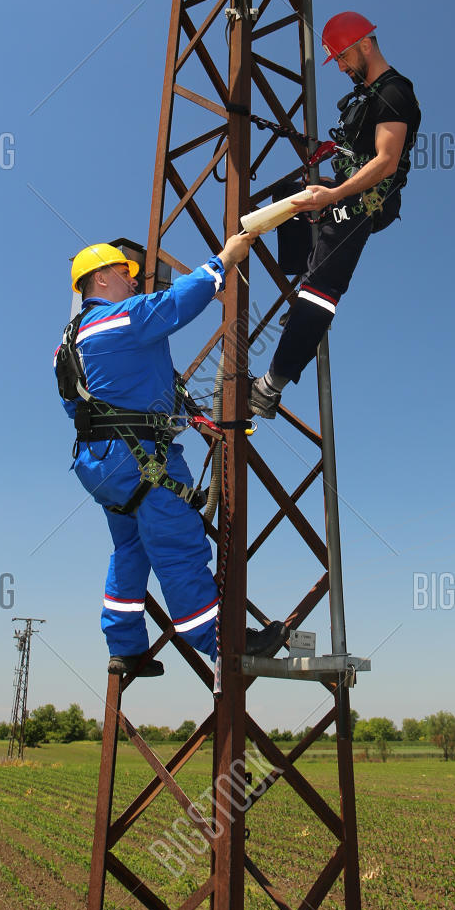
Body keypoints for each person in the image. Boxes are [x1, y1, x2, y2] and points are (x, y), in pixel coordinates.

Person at [56, 237, 289, 675]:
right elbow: (177, 302)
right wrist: (223, 261)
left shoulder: (67, 344)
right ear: (101, 278)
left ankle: (125, 649)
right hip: (140, 457)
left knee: (129, 549)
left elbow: (81, 405)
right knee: (179, 543)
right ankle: (225, 642)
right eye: (123, 272)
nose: (131, 277)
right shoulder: (123, 318)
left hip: (99, 463)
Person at [249, 11, 421, 418]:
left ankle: (270, 387)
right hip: (344, 191)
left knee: (321, 292)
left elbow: (386, 161)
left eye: (342, 58)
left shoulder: (394, 92)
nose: (341, 67)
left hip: (364, 203)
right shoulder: (369, 91)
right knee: (288, 197)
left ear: (365, 44)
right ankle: (306, 288)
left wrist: (334, 195)